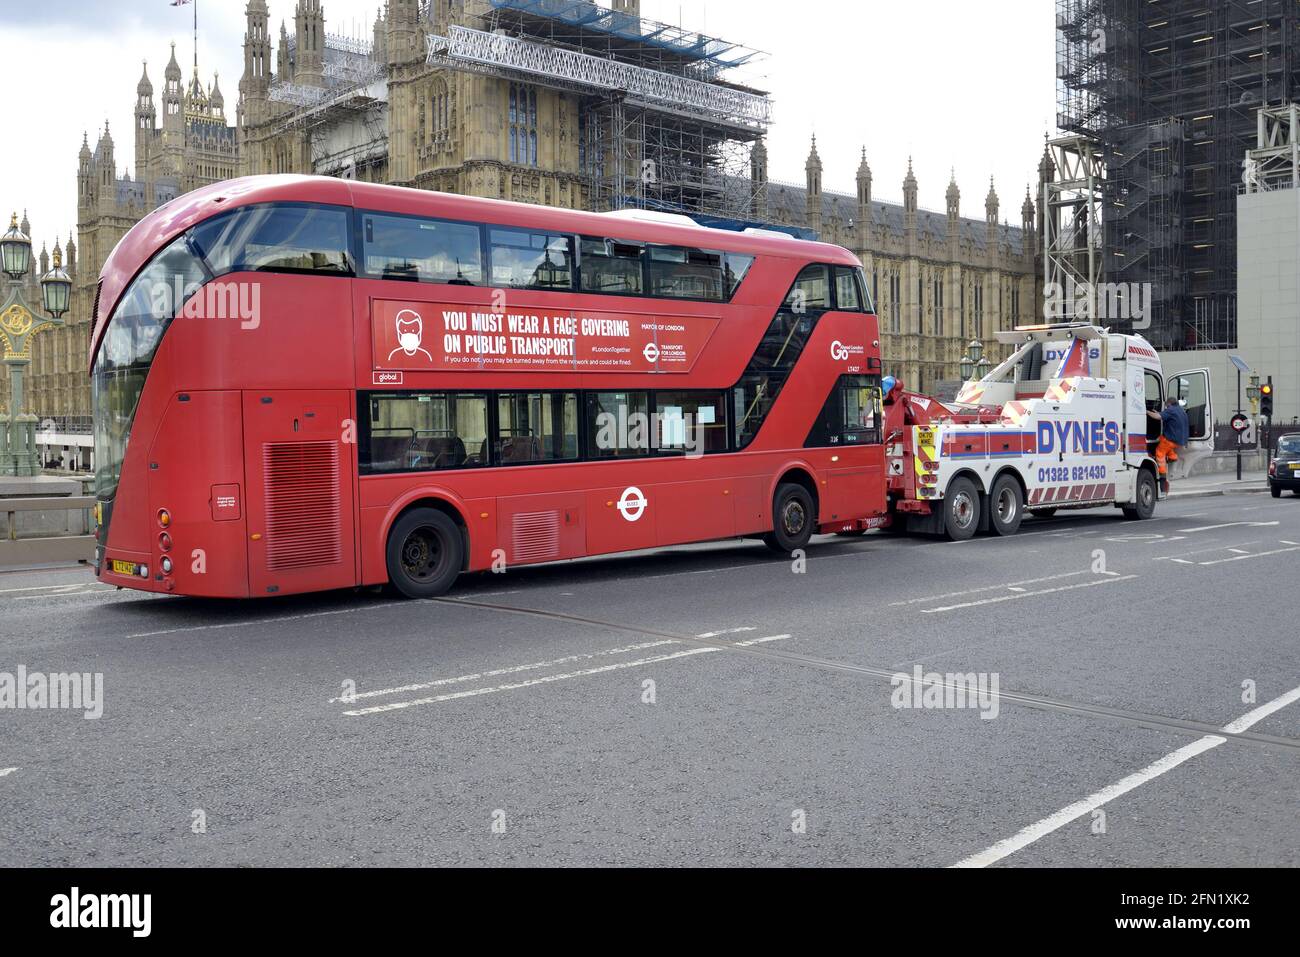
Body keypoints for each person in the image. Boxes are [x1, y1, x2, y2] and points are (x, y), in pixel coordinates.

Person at [1148, 396, 1189, 492]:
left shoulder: (1170, 410)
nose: (1166, 407)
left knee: (1160, 451)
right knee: (1166, 445)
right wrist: (1159, 413)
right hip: (1180, 441)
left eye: (1166, 405)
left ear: (1169, 404)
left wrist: (1147, 412)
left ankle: (1162, 475)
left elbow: (1158, 417)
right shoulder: (1181, 411)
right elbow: (1163, 415)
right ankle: (1173, 457)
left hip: (1171, 439)